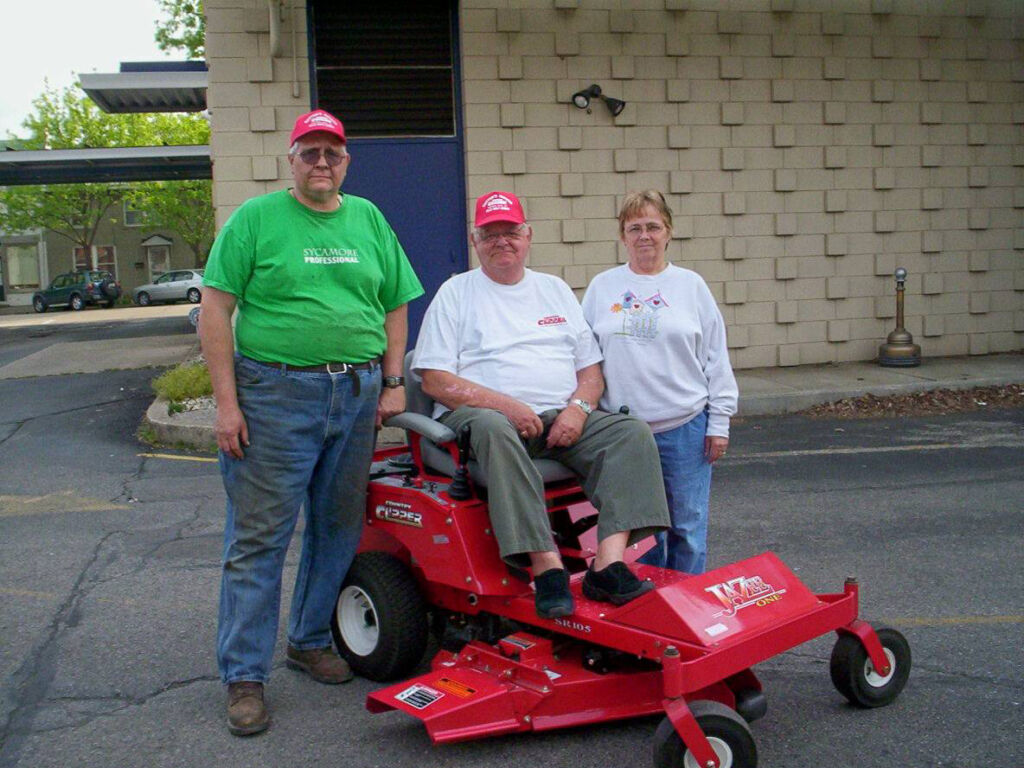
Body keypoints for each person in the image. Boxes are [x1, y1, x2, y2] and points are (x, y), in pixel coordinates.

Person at [199, 109, 424, 737]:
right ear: (291, 160)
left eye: (332, 152)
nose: (321, 162)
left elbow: (396, 302)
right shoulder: (255, 220)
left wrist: (393, 379)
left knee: (337, 528)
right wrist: (227, 403)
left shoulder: (369, 218)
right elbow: (216, 311)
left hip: (354, 394)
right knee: (259, 540)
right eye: (309, 152)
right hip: (274, 394)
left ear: (345, 161)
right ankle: (244, 676)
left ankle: (308, 637)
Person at [413, 190, 670, 619]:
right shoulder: (456, 293)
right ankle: (545, 565)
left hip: (557, 417)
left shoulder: (553, 289)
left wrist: (578, 410)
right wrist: (507, 407)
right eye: (490, 233)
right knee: (495, 427)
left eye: (511, 231)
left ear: (528, 235)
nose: (502, 241)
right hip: (484, 420)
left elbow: (591, 373)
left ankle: (608, 563)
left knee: (631, 434)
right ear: (475, 242)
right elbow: (435, 379)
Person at [581, 190, 738, 575]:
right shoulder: (602, 287)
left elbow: (716, 358)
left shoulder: (691, 286)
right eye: (634, 228)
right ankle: (645, 610)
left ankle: (686, 608)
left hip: (683, 429)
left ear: (668, 232)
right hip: (623, 435)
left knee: (685, 528)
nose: (644, 236)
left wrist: (719, 423)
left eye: (653, 226)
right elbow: (583, 357)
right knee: (638, 534)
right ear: (622, 236)